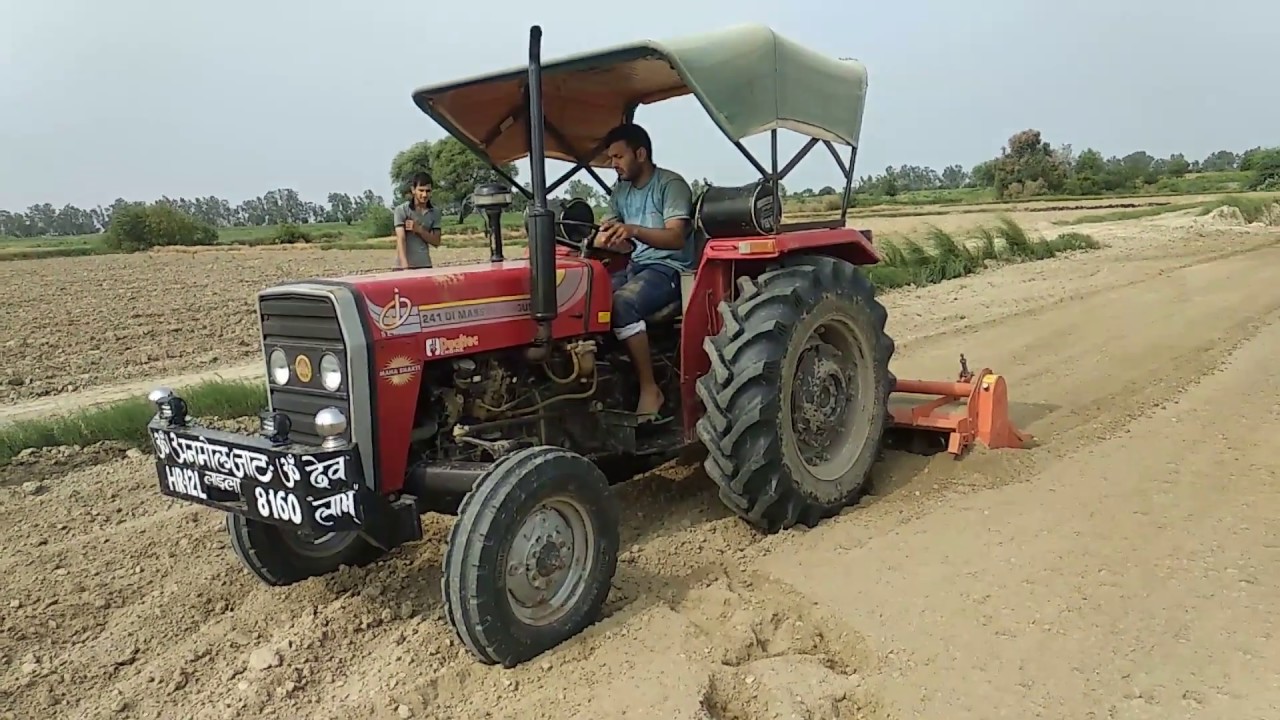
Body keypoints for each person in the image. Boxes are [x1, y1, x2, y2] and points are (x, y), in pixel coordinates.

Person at [595, 122, 695, 422]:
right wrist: (606, 239)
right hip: (636, 265)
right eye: (611, 158)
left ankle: (651, 389)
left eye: (618, 157)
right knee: (591, 300)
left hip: (670, 268)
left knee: (622, 303)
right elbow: (609, 234)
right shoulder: (621, 191)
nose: (613, 164)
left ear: (640, 153)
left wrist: (634, 230)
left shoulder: (671, 185)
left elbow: (676, 237)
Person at [393, 172, 441, 269]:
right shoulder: (402, 210)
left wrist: (419, 230)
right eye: (421, 190)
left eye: (428, 191)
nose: (424, 194)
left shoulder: (435, 212)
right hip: (403, 266)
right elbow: (401, 239)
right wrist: (405, 267)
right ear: (413, 190)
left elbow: (436, 241)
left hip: (425, 265)